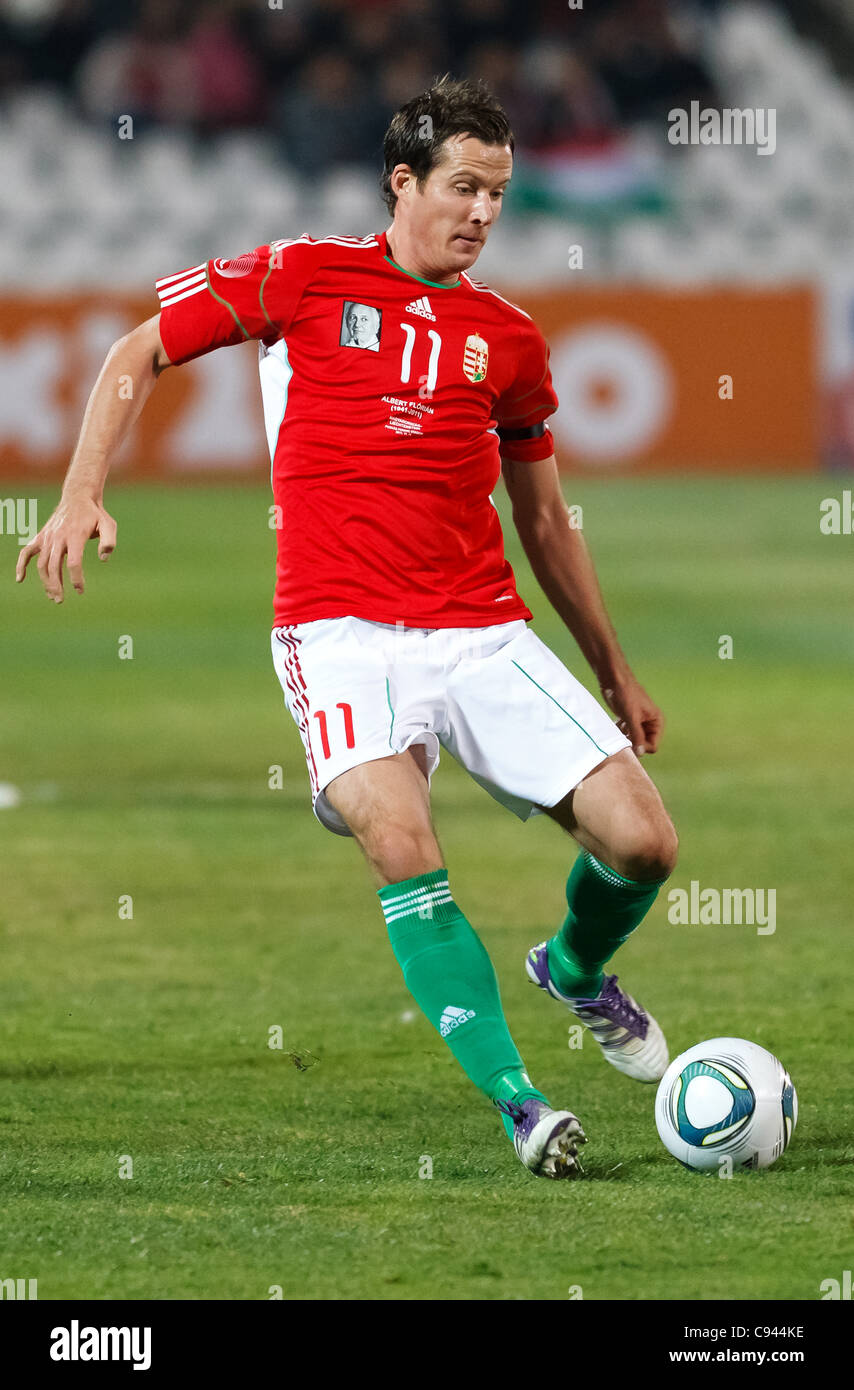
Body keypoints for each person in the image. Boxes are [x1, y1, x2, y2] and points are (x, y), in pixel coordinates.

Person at [16, 77, 678, 1181]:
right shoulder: (304, 274)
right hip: (338, 635)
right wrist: (82, 491)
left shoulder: (508, 340)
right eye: (462, 187)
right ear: (402, 182)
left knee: (645, 843)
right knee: (402, 842)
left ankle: (570, 969)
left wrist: (613, 667)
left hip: (481, 628)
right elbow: (135, 351)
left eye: (500, 195)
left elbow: (545, 518)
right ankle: (521, 1105)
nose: (480, 213)